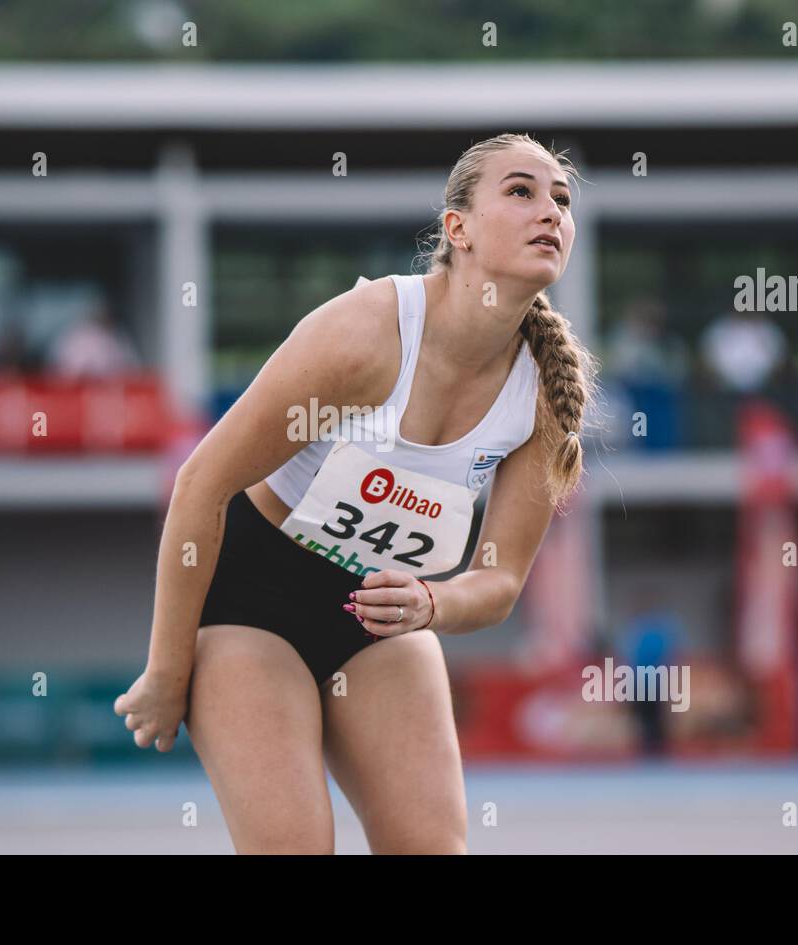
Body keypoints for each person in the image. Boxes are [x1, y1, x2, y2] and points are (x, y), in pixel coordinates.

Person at [113, 133, 599, 854]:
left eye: (561, 199)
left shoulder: (544, 396)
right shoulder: (368, 332)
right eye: (522, 191)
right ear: (457, 228)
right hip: (249, 602)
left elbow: (498, 581)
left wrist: (432, 602)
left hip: (380, 615)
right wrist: (166, 667)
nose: (550, 212)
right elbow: (201, 484)